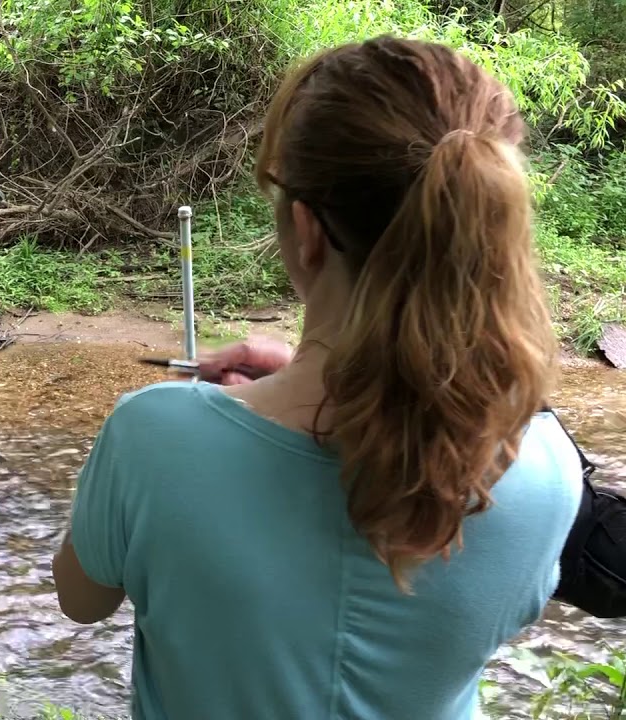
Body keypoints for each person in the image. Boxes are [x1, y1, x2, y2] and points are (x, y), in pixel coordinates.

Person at [52, 36, 584, 719]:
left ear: (306, 230)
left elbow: (82, 598)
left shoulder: (151, 438)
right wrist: (345, 382)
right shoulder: (545, 467)